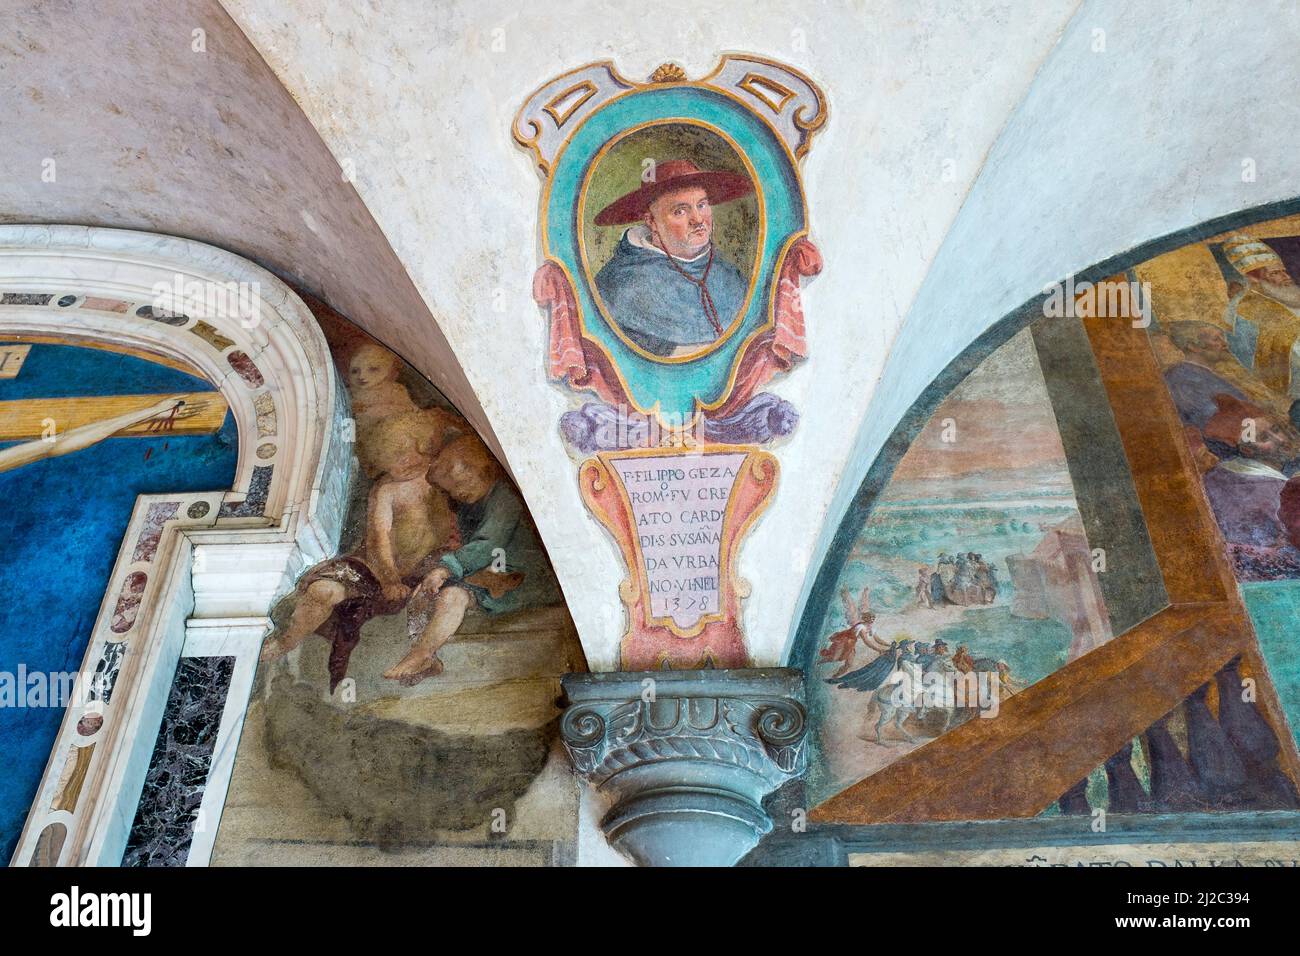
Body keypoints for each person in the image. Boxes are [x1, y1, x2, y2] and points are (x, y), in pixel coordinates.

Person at [382, 434, 558, 684]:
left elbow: (489, 543)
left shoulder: (505, 498)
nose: (457, 493)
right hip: (491, 572)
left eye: (460, 484)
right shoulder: (471, 505)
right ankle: (423, 656)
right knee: (425, 592)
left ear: (482, 470)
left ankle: (422, 654)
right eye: (451, 490)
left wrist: (445, 569)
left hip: (523, 578)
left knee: (452, 595)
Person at [593, 159, 752, 356]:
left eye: (702, 205)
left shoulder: (731, 277)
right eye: (680, 211)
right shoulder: (617, 286)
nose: (698, 220)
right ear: (651, 221)